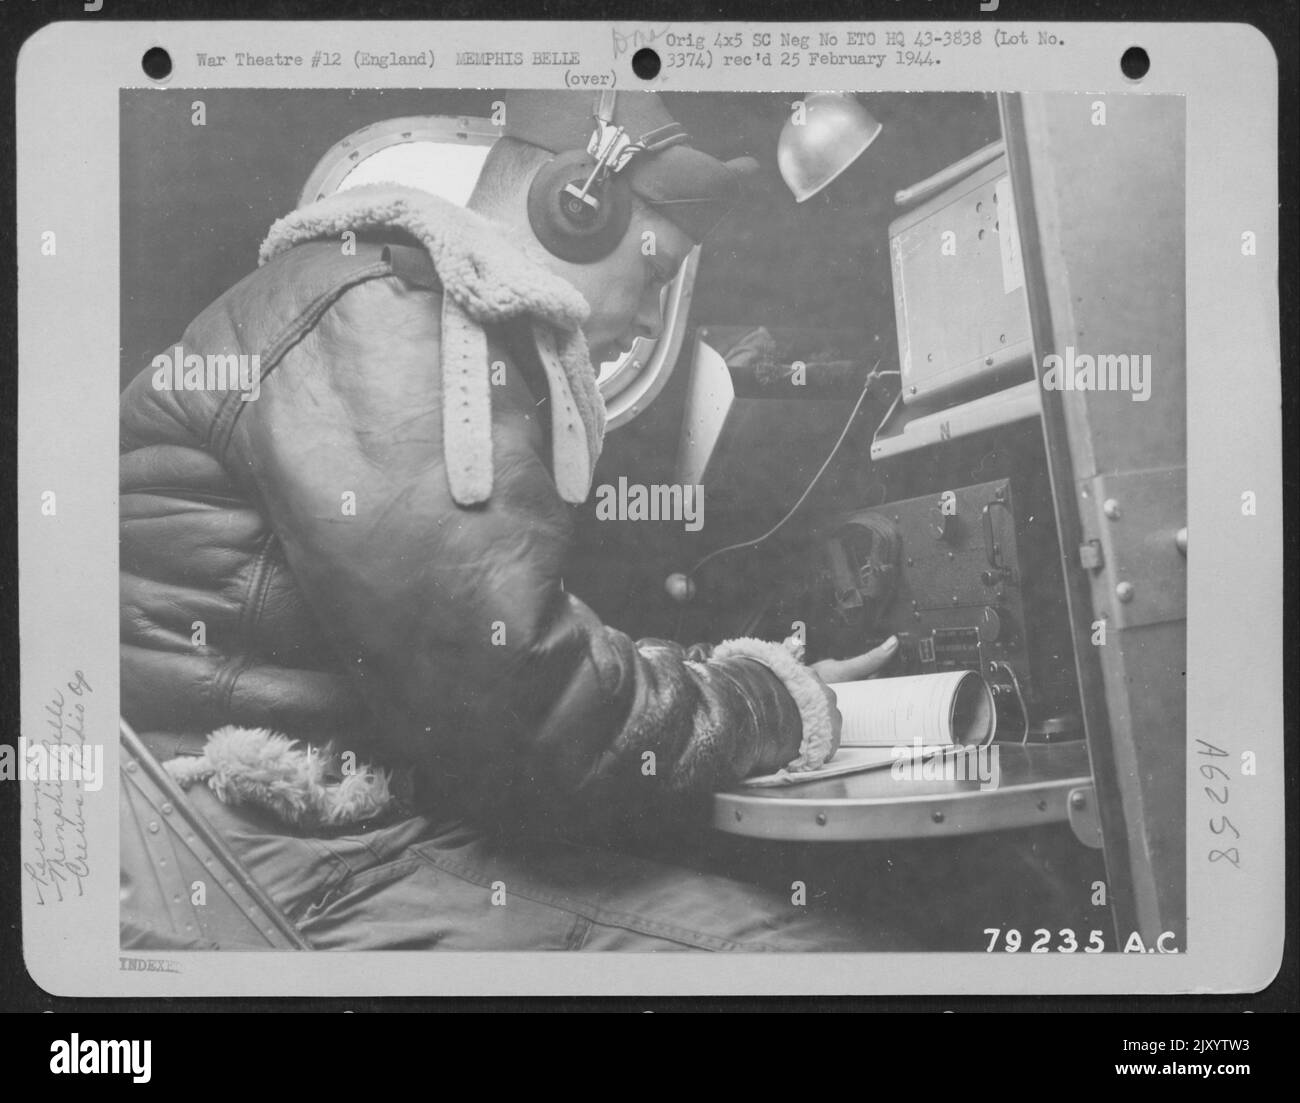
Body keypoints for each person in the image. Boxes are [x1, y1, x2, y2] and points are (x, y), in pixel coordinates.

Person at [120, 90, 900, 951]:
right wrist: (776, 700)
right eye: (655, 273)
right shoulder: (381, 315)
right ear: (579, 207)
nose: (650, 316)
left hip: (260, 840)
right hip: (259, 864)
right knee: (814, 958)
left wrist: (725, 680)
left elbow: (515, 661)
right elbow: (528, 704)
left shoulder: (390, 303)